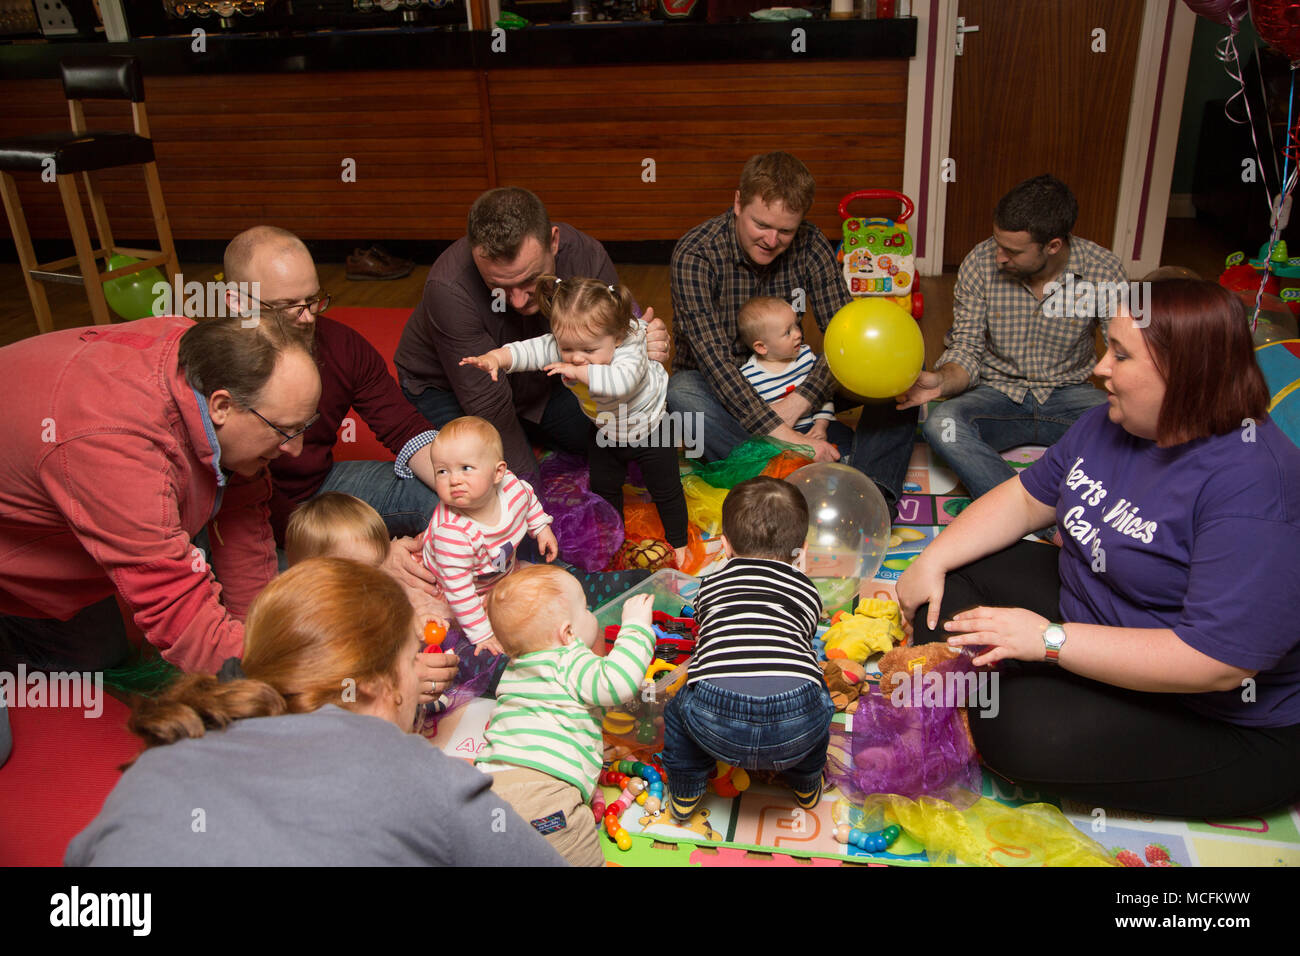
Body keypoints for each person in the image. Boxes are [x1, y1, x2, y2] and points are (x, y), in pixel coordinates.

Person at [896, 280, 1300, 818]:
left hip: (1221, 716)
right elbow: (1023, 497)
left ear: (1184, 373)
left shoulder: (1254, 485)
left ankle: (1025, 689)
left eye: (1121, 354)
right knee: (955, 577)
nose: (1099, 368)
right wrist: (932, 558)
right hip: (1104, 614)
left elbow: (1216, 663)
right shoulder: (1110, 422)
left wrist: (1049, 641)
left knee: (1020, 734)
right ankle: (1019, 679)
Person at [65, 558, 565, 866]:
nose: (420, 676)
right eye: (413, 654)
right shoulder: (423, 777)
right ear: (373, 679)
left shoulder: (161, 760)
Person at [0, 313, 318, 677]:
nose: (296, 449)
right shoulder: (112, 444)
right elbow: (178, 610)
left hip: (74, 464)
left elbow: (242, 515)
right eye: (286, 430)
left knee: (104, 654)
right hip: (26, 522)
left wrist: (258, 639)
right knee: (84, 666)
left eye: (304, 426)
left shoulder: (213, 359)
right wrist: (284, 678)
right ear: (222, 407)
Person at [667, 151, 918, 518]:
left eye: (785, 230)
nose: (772, 239)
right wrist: (788, 435)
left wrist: (799, 400)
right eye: (761, 225)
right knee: (682, 394)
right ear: (738, 202)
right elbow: (715, 363)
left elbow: (845, 336)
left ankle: (870, 496)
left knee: (899, 370)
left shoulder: (812, 243)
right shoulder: (696, 254)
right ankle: (801, 469)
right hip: (725, 395)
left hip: (798, 380)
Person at [394, 187, 669, 484]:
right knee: (482, 483)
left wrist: (642, 342)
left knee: (630, 434)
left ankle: (533, 429)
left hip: (544, 377)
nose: (518, 301)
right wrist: (528, 499)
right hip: (449, 387)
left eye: (530, 281)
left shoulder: (584, 255)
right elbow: (489, 405)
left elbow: (614, 337)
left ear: (553, 241)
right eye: (498, 285)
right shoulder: (449, 289)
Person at [223, 227, 443, 599]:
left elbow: (405, 428)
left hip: (323, 487)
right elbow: (244, 501)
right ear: (239, 304)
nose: (307, 317)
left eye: (314, 300)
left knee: (450, 495)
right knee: (284, 593)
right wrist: (367, 556)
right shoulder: (218, 370)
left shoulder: (340, 343)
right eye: (288, 306)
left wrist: (465, 477)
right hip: (251, 516)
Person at [897, 175, 1129, 501]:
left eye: (1012, 251)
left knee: (1140, 427)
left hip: (1070, 398)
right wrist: (940, 382)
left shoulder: (1103, 270)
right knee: (942, 425)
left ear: (1053, 246)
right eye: (997, 243)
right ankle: (1025, 507)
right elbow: (966, 347)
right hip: (996, 396)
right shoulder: (979, 263)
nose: (999, 257)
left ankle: (1017, 505)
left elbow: (1126, 351)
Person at [462, 275, 688, 566]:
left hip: (651, 428)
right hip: (605, 428)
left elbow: (619, 383)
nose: (578, 358)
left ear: (617, 337)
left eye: (589, 352)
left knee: (665, 488)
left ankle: (679, 542)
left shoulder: (631, 345)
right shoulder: (573, 342)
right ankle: (613, 541)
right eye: (567, 349)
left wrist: (573, 369)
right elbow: (528, 350)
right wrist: (496, 357)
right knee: (604, 488)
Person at [662, 476, 833, 822]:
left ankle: (685, 790)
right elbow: (804, 635)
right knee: (819, 693)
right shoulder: (808, 590)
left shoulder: (709, 586)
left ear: (725, 546)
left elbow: (705, 629)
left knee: (676, 712)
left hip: (716, 725)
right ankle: (806, 781)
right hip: (795, 728)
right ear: (801, 548)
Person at [475, 563, 655, 866]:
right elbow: (619, 682)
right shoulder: (569, 659)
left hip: (487, 789)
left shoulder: (514, 671)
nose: (591, 614)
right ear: (567, 632)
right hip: (546, 796)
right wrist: (636, 627)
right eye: (585, 609)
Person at [285, 492, 457, 710]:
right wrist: (394, 685)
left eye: (378, 569)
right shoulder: (310, 633)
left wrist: (414, 626)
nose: (374, 584)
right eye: (359, 575)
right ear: (310, 578)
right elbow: (343, 693)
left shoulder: (364, 601)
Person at [420, 417, 558, 656]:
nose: (454, 480)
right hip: (459, 589)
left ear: (498, 473)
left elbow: (528, 501)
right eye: (442, 471)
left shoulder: (512, 488)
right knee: (494, 631)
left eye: (466, 468)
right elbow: (460, 593)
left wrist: (541, 527)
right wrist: (483, 635)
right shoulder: (451, 533)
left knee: (546, 589)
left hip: (499, 570)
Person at [737, 295, 841, 446]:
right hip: (779, 438)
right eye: (787, 332)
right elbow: (755, 420)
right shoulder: (748, 377)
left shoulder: (806, 357)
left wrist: (821, 425)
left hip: (816, 427)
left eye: (796, 326)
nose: (798, 334)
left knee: (843, 439)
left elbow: (823, 395)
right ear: (761, 347)